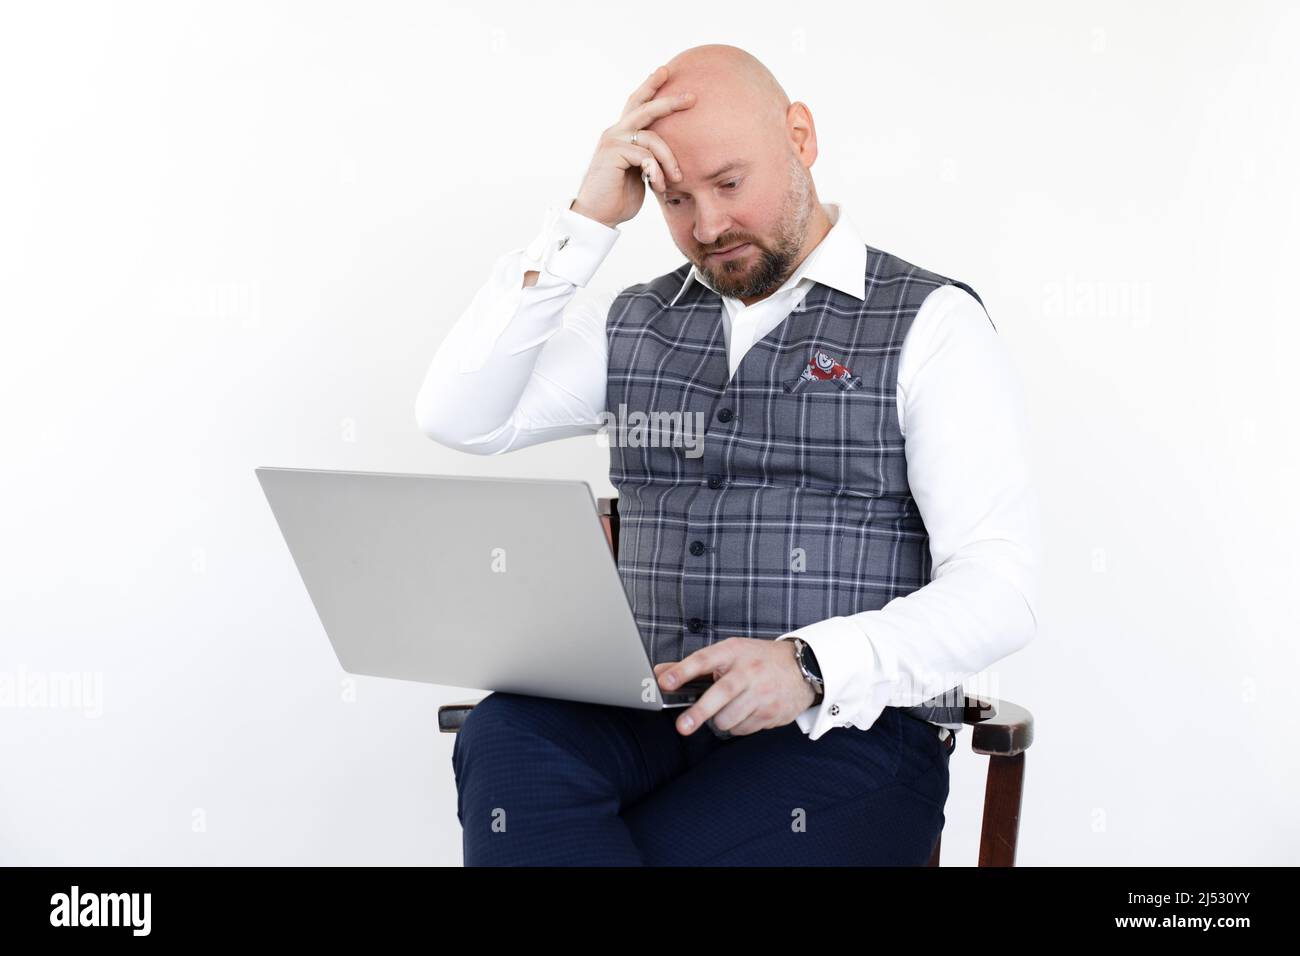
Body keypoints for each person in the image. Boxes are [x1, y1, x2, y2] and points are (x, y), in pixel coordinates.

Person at [414, 44, 1040, 866]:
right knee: (506, 741)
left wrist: (812, 666)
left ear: (801, 137)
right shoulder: (635, 321)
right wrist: (583, 223)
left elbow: (1001, 587)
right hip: (648, 714)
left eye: (730, 184)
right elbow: (460, 414)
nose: (706, 227)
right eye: (675, 199)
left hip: (846, 734)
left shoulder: (932, 323)